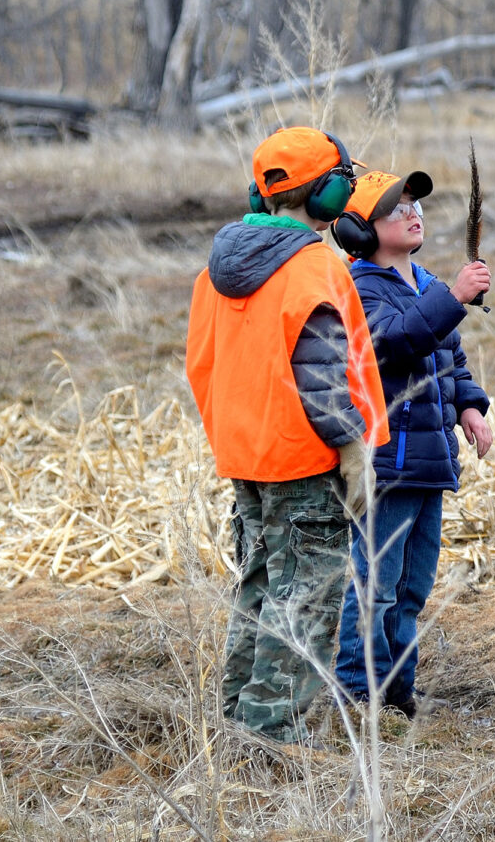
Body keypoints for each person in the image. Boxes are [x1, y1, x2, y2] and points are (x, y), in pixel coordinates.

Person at [186, 125, 389, 745]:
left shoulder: (217, 269)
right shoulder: (313, 269)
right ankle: (272, 739)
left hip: (246, 457)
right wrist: (353, 451)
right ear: (328, 197)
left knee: (259, 590)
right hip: (304, 461)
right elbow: (323, 376)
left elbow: (201, 364)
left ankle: (238, 721)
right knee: (305, 600)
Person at [330, 169, 493, 718]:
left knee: (413, 587)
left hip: (429, 461)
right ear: (361, 230)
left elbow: (450, 356)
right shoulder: (360, 287)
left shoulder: (424, 282)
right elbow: (393, 343)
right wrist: (455, 297)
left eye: (415, 204)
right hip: (387, 462)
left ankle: (398, 692)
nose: (412, 213)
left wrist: (469, 405)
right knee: (375, 583)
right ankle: (356, 692)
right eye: (395, 208)